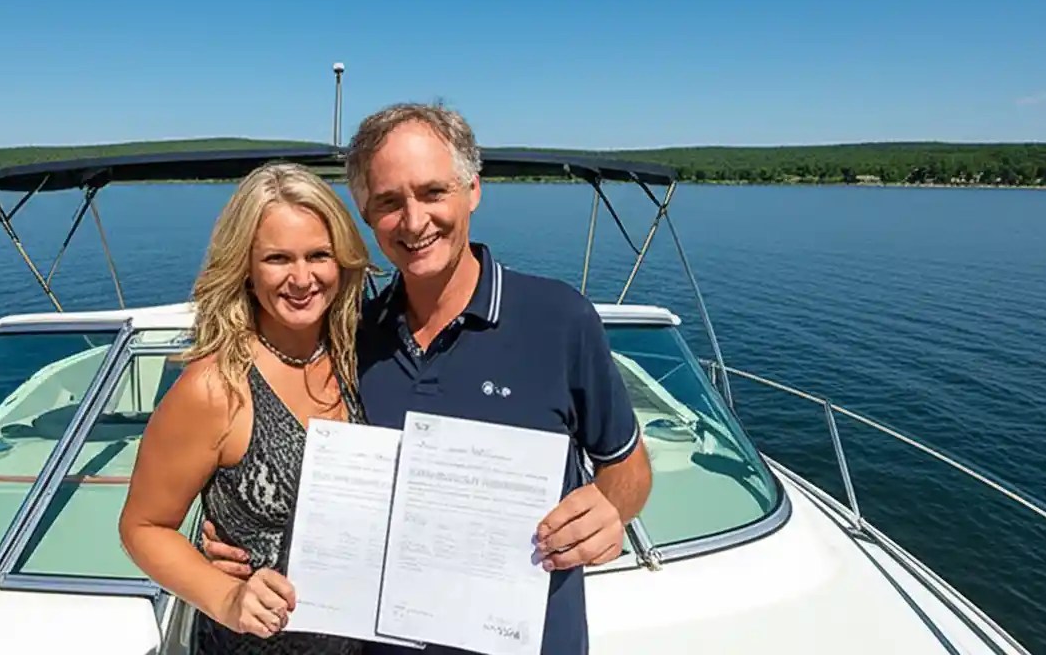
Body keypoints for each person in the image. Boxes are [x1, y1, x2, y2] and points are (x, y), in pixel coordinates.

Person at [203, 103, 654, 654]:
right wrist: (238, 536)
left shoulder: (561, 320)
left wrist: (611, 510)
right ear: (365, 213)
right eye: (389, 202)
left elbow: (626, 465)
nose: (414, 222)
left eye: (433, 193)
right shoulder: (349, 337)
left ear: (473, 190)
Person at [118, 162, 373, 654]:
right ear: (247, 270)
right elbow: (142, 527)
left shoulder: (361, 357)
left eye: (319, 255)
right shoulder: (217, 388)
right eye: (278, 259)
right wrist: (227, 595)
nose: (302, 278)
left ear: (342, 260)